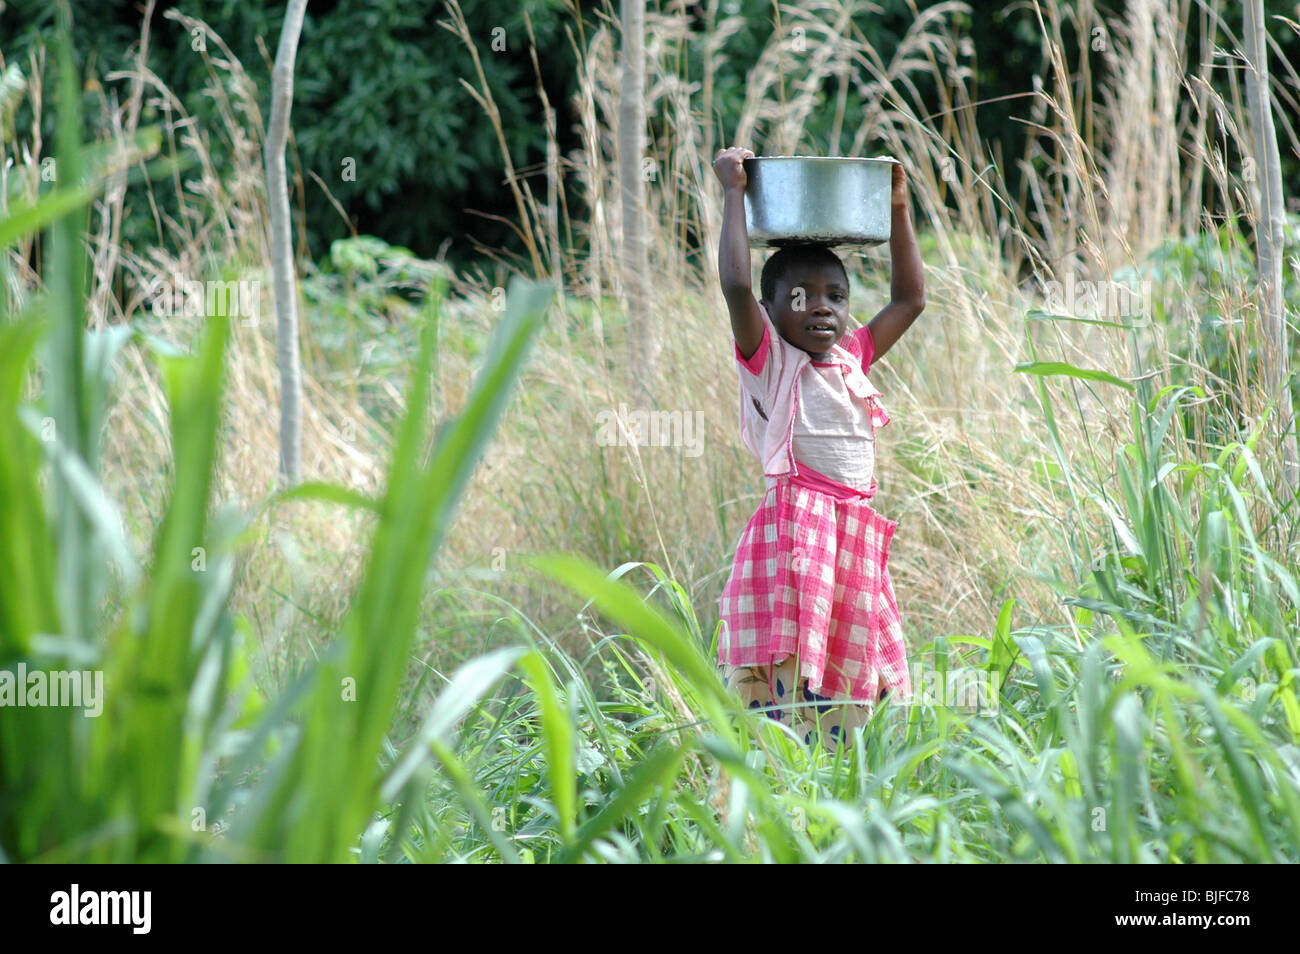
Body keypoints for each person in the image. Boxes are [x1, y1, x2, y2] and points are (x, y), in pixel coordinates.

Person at [712, 145, 925, 750]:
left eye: (835, 295)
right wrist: (733, 192)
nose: (821, 308)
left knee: (853, 666)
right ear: (772, 309)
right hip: (798, 531)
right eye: (800, 297)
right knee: (787, 662)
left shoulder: (851, 357)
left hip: (853, 532)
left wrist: (899, 207)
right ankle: (777, 775)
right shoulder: (772, 361)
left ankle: (841, 778)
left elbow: (911, 300)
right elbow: (733, 283)